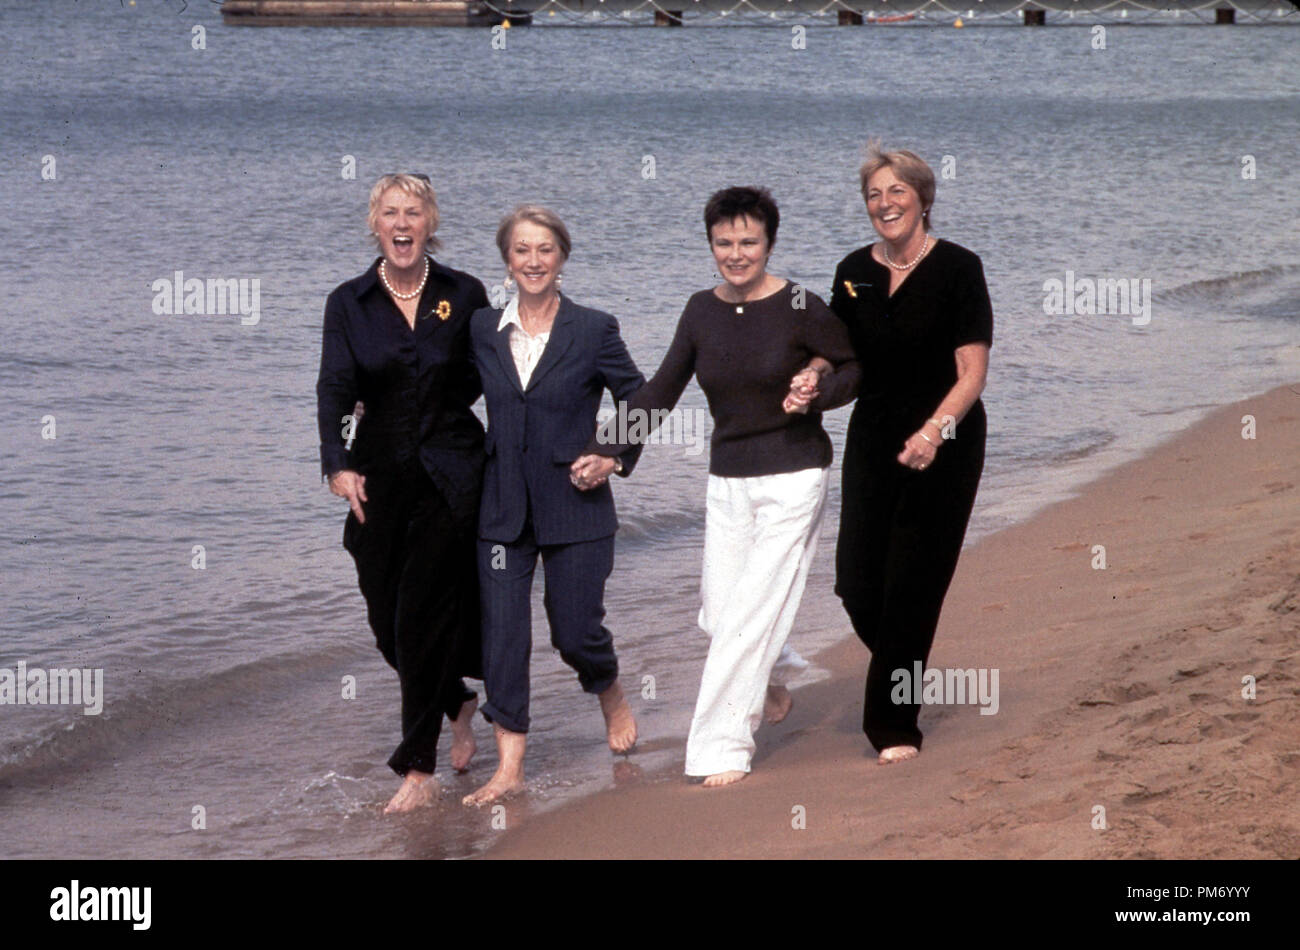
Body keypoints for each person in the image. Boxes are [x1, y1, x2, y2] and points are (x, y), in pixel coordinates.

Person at [579, 186, 861, 787]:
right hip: (728, 477)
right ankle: (771, 686)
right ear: (711, 244)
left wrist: (817, 388)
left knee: (748, 618)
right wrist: (610, 449)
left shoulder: (801, 303)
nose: (736, 254)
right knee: (720, 612)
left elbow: (850, 363)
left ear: (770, 243)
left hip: (794, 472)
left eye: (748, 242)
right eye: (724, 242)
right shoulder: (700, 310)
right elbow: (660, 389)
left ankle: (721, 747)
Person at [462, 205, 645, 807]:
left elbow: (641, 400)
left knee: (574, 630)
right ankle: (510, 765)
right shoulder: (483, 328)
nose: (533, 261)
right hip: (501, 508)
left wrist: (610, 455)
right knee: (502, 636)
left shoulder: (593, 328)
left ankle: (609, 687)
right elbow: (444, 395)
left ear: (562, 256)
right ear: (507, 260)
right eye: (522, 250)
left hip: (577, 504)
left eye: (545, 250)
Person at [316, 173, 484, 813]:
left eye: (414, 210)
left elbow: (484, 375)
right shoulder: (348, 302)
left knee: (421, 613)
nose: (403, 221)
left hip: (451, 474)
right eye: (391, 211)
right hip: (377, 476)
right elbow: (334, 387)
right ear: (375, 224)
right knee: (386, 624)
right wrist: (337, 464)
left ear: (430, 221)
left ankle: (418, 767)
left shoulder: (462, 294)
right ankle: (458, 701)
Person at [828, 145, 992, 765]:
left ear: (923, 197)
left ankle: (894, 727)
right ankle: (906, 664)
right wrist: (810, 377)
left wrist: (932, 432)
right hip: (872, 439)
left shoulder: (958, 268)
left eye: (897, 191)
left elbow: (972, 373)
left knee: (914, 585)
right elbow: (837, 353)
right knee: (856, 582)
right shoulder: (853, 270)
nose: (885, 203)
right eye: (874, 194)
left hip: (946, 441)